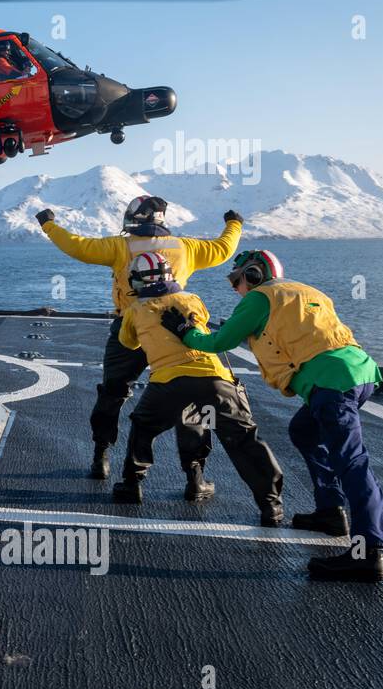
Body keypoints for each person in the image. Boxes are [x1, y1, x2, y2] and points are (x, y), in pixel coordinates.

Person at [163, 249, 383, 582]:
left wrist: (186, 332)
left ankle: (368, 553)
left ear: (253, 275)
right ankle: (330, 512)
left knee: (352, 463)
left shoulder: (259, 298)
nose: (235, 288)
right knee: (304, 430)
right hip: (360, 374)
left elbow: (219, 341)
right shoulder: (308, 291)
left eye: (236, 280)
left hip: (331, 384)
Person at [35, 196, 242, 491]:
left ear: (132, 220)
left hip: (131, 323)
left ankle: (101, 457)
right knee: (191, 394)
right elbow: (224, 248)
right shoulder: (187, 247)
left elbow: (77, 246)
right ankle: (195, 478)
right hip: (177, 328)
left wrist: (49, 224)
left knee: (114, 391)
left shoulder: (121, 246)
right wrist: (234, 224)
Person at [112, 253, 284, 526]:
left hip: (167, 382)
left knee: (143, 426)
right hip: (214, 380)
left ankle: (131, 485)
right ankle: (268, 505)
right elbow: (201, 320)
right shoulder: (191, 300)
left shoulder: (135, 309)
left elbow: (128, 342)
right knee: (241, 439)